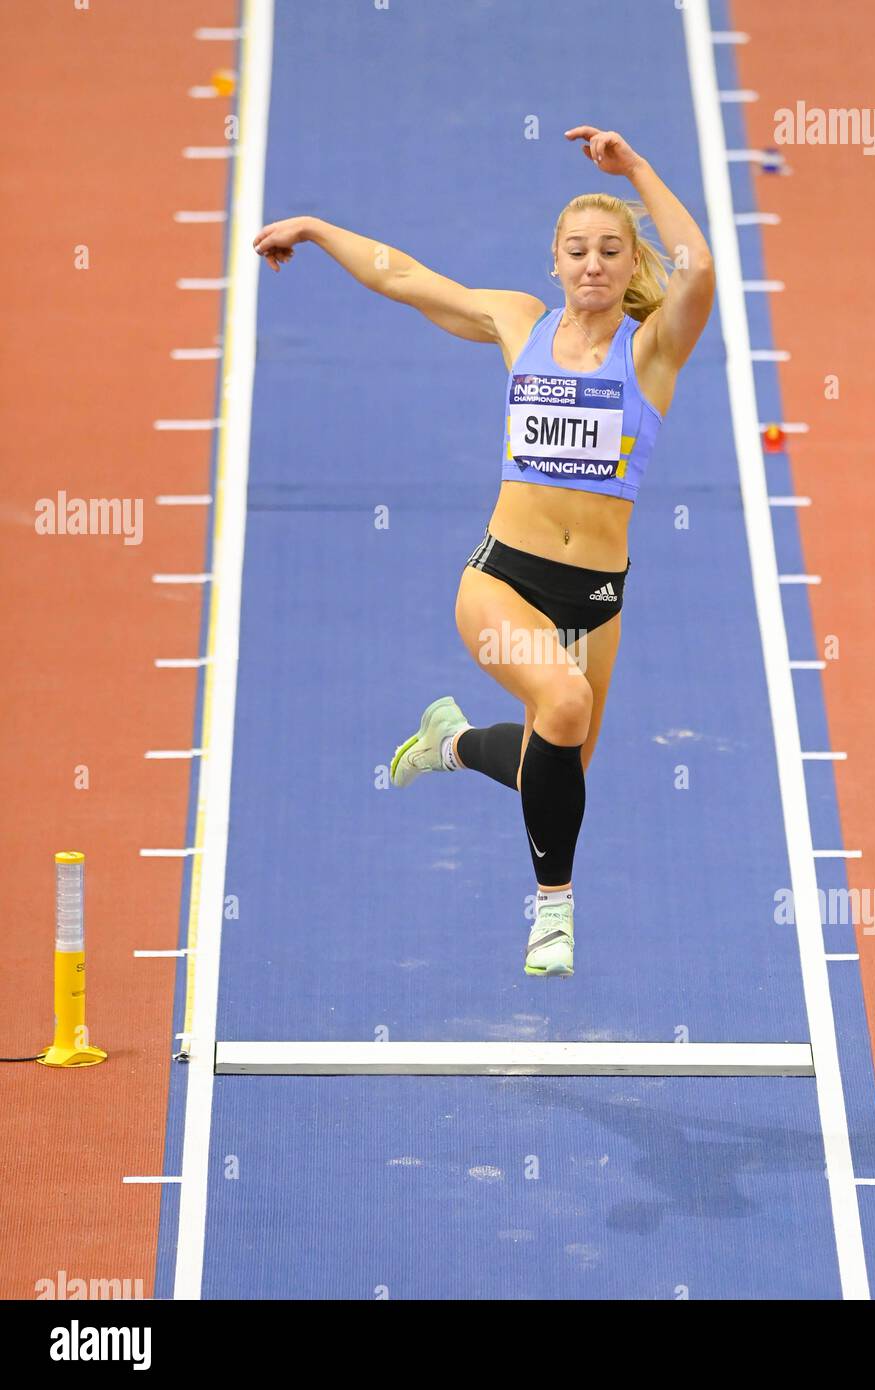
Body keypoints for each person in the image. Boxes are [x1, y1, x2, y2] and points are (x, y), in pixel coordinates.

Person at [253, 125, 714, 978]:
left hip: (596, 593)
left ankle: (451, 742)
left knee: (559, 761)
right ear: (553, 263)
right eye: (575, 249)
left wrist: (637, 169)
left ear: (627, 264)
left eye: (610, 251)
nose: (592, 264)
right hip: (503, 577)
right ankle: (552, 912)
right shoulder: (517, 323)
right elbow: (406, 278)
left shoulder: (650, 352)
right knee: (565, 705)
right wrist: (315, 228)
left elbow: (699, 269)